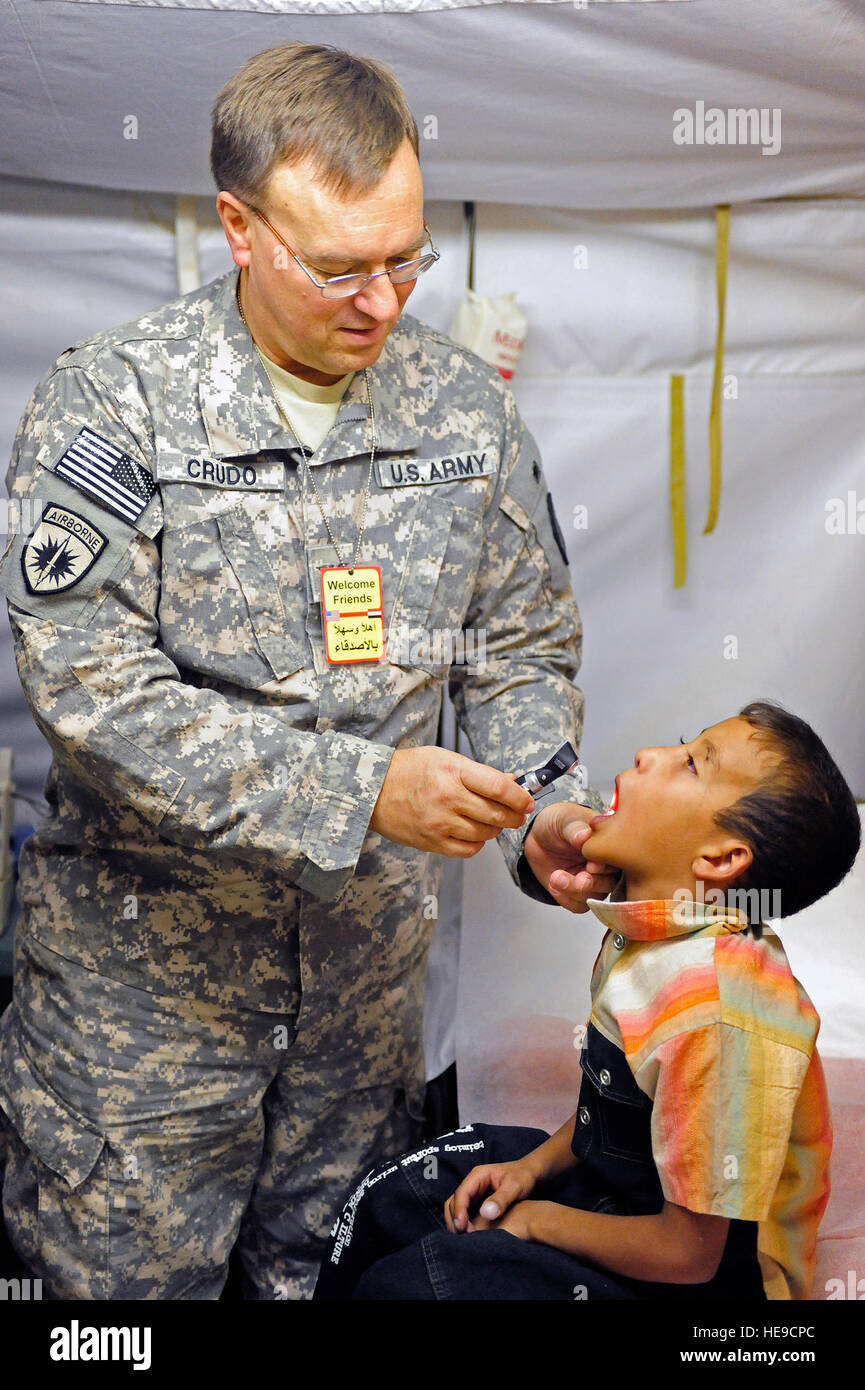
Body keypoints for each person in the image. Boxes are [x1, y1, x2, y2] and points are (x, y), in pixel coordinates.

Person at [0, 43, 617, 1300]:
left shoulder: (463, 416)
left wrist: (543, 800)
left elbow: (518, 650)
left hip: (359, 1016)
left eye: (405, 259)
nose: (382, 302)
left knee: (335, 1286)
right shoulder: (117, 408)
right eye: (340, 267)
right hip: (143, 1022)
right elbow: (93, 697)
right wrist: (359, 791)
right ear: (238, 226)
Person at [313, 701, 861, 1301]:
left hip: (702, 1278)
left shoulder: (718, 1013)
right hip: (624, 1192)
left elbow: (690, 1254)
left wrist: (536, 1224)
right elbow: (621, 1113)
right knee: (394, 1196)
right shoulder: (654, 934)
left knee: (420, 1286)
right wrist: (531, 1170)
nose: (649, 756)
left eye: (690, 765)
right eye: (682, 742)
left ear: (721, 861)